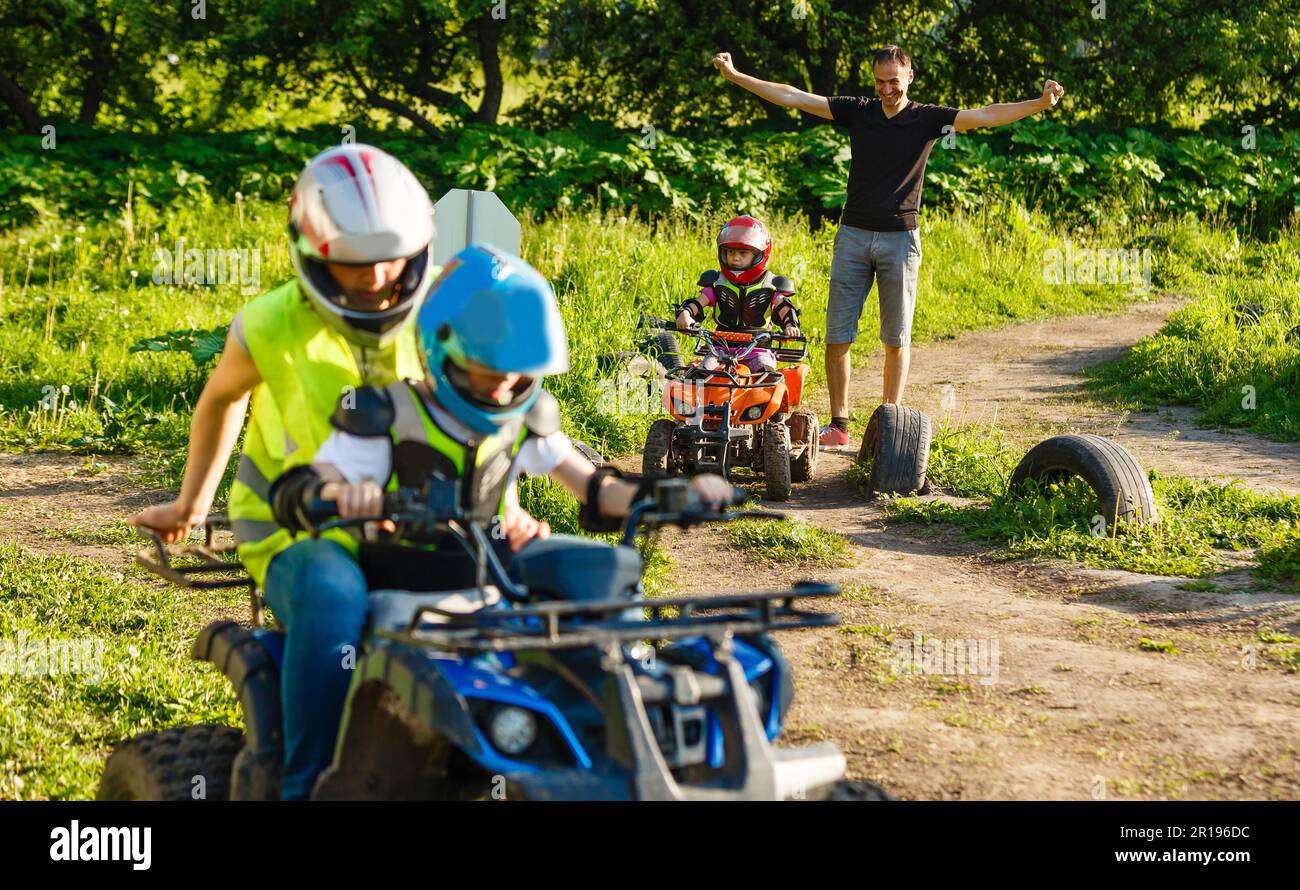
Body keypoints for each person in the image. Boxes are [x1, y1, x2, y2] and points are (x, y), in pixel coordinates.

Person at [265, 244, 733, 799]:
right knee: (385, 636)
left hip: (494, 575)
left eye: (518, 377)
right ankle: (312, 783)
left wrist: (674, 492)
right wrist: (343, 496)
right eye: (489, 374)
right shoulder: (384, 414)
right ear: (441, 348)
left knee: (606, 568)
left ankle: (620, 730)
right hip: (404, 584)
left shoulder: (523, 416)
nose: (504, 389)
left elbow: (595, 487)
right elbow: (298, 490)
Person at [711, 46, 1065, 446]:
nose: (885, 90)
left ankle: (889, 426)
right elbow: (793, 95)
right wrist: (737, 76)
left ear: (909, 77)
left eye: (893, 82)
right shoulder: (859, 110)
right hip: (853, 236)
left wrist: (1039, 103)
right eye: (879, 82)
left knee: (895, 338)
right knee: (837, 335)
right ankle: (839, 426)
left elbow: (985, 115)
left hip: (901, 239)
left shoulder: (927, 119)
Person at [675, 215, 800, 373]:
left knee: (764, 370)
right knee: (704, 370)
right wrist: (685, 314)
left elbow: (784, 307)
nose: (735, 257)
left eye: (742, 252)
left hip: (757, 349)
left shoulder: (771, 284)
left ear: (759, 255)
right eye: (731, 252)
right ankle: (699, 394)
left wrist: (790, 325)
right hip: (719, 348)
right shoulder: (717, 282)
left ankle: (763, 394)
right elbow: (698, 303)